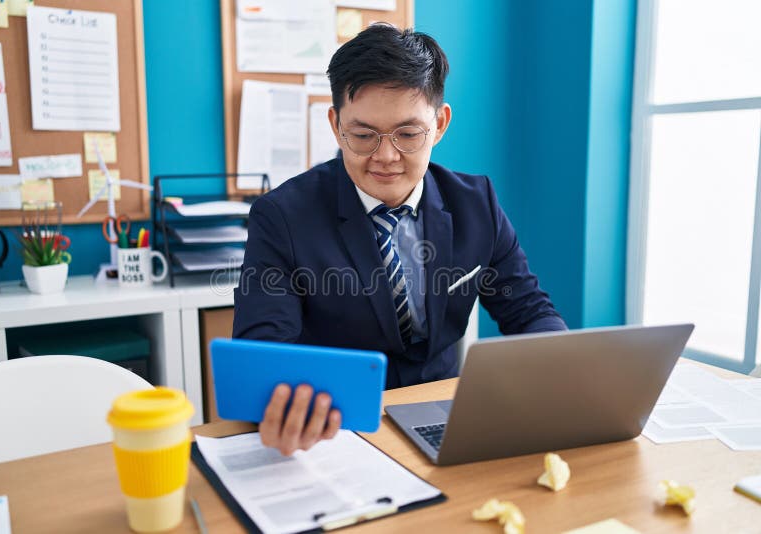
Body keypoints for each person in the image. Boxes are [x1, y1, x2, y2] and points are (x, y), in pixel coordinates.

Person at [233, 24, 567, 455]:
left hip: (446, 420)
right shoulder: (282, 216)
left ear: (440, 124)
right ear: (336, 126)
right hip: (336, 431)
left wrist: (560, 367)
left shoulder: (475, 203)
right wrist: (284, 407)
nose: (386, 156)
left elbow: (528, 309)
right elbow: (264, 349)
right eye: (363, 134)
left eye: (408, 134)